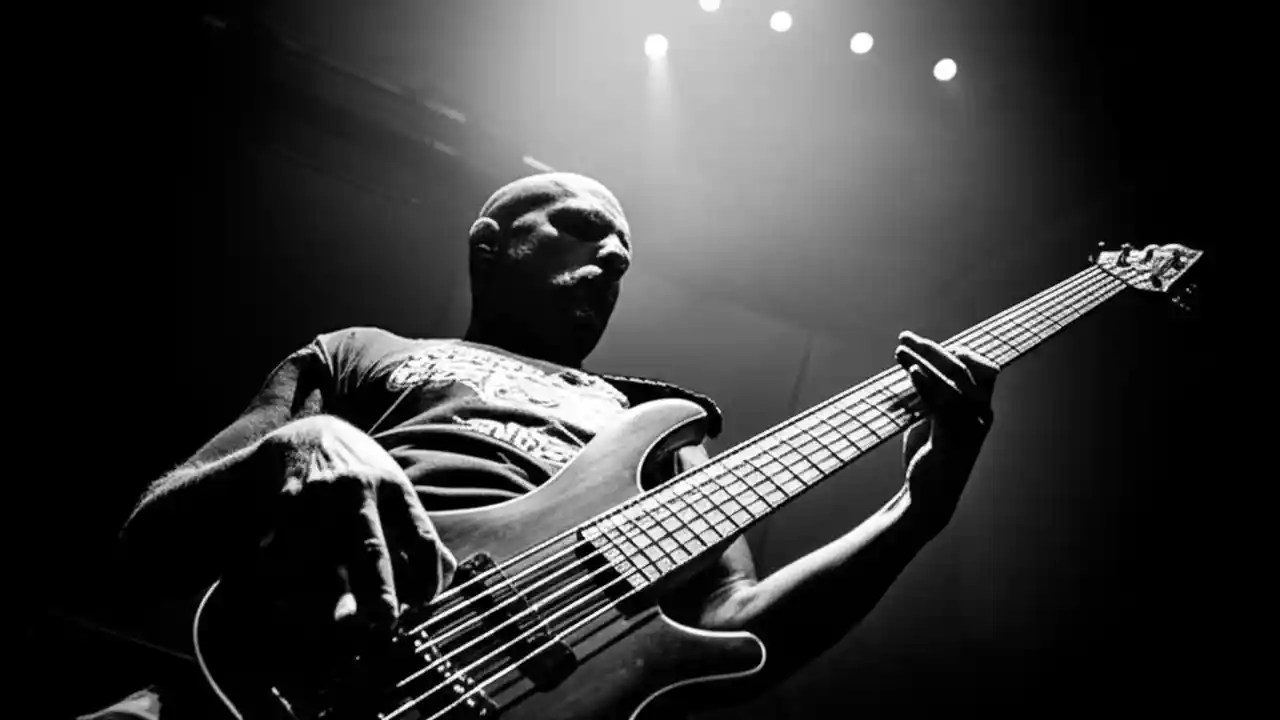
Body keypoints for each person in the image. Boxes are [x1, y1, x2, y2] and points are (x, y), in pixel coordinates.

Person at [109, 171, 998, 718]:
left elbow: (734, 633)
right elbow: (147, 536)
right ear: (489, 245)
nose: (613, 256)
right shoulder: (365, 352)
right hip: (277, 671)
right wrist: (299, 444)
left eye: (625, 251)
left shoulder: (661, 429)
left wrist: (915, 512)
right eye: (580, 226)